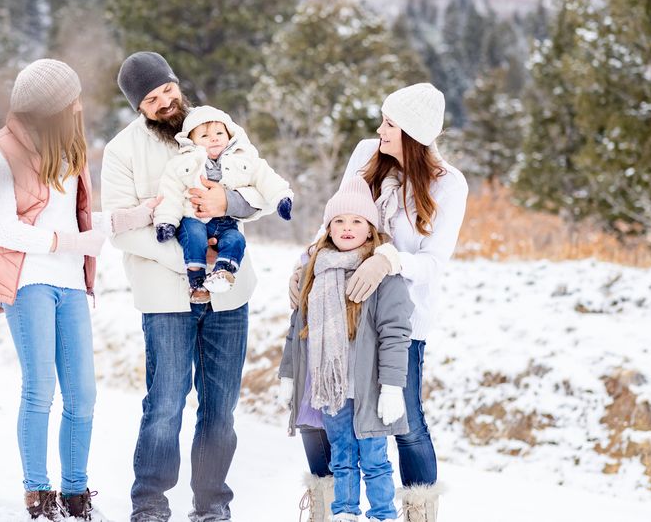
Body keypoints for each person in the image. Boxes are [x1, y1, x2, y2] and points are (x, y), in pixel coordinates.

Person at [287, 82, 468, 522]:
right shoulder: (367, 155)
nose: (380, 130)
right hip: (338, 311)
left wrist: (388, 259)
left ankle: (418, 512)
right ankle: (330, 506)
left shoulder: (449, 185)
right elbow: (336, 219)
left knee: (405, 421)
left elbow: (434, 262)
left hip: (397, 321)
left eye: (389, 124)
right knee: (319, 410)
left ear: (413, 134)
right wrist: (306, 262)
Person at [100, 51, 264, 522]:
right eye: (151, 99)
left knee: (220, 408)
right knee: (166, 403)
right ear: (138, 107)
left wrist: (227, 201)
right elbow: (120, 229)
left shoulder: (220, 129)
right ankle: (150, 502)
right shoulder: (122, 151)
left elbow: (258, 193)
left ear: (176, 82)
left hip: (228, 292)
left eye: (167, 90)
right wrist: (189, 261)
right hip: (165, 296)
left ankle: (212, 505)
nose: (165, 102)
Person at [0, 59, 106, 521]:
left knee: (83, 394)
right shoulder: (0, 151)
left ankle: (75, 494)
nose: (78, 106)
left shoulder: (73, 151)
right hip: (28, 280)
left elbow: (76, 220)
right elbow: (3, 229)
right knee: (40, 388)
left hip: (71, 283)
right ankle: (38, 493)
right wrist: (70, 243)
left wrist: (134, 216)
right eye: (71, 99)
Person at [278, 176, 413, 522]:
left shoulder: (383, 274)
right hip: (331, 389)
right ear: (329, 228)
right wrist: (288, 376)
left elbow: (395, 333)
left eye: (356, 221)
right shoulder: (314, 270)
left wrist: (392, 387)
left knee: (375, 460)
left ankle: (382, 515)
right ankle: (344, 513)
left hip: (368, 388)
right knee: (342, 458)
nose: (347, 228)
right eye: (339, 221)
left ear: (370, 230)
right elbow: (297, 329)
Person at [154, 105, 293, 302]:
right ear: (191, 141)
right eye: (204, 136)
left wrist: (281, 197)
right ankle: (197, 284)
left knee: (236, 240)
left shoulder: (244, 158)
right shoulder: (182, 163)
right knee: (194, 237)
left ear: (229, 135)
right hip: (194, 218)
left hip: (227, 222)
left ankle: (223, 272)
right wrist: (166, 222)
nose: (214, 138)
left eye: (219, 133)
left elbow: (266, 178)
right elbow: (170, 193)